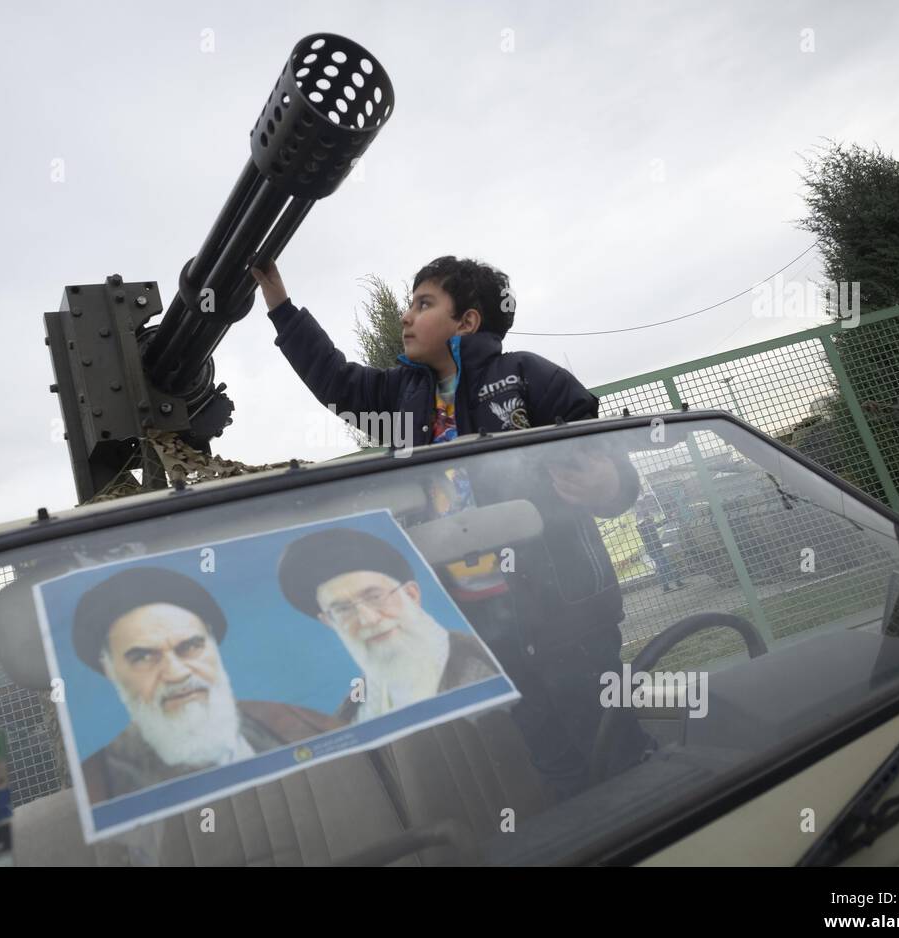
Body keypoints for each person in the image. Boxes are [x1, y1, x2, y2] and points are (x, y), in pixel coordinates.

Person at [251, 256, 653, 797]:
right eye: (408, 305)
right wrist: (279, 304)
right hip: (485, 627)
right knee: (551, 759)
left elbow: (603, 458)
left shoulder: (526, 375)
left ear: (466, 322)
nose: (406, 317)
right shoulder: (401, 398)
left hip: (566, 614)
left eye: (423, 304)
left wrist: (608, 482)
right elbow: (336, 381)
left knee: (613, 744)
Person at [72, 567, 338, 804]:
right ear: (109, 668)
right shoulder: (96, 789)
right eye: (143, 657)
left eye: (190, 647)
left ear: (213, 646)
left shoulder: (308, 727)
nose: (176, 674)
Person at [276, 527, 499, 722]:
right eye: (343, 609)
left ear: (411, 595)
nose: (368, 619)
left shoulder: (486, 668)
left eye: (375, 596)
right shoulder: (352, 714)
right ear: (329, 622)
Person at [636, 499, 686, 592]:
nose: (652, 518)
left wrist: (669, 517)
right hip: (655, 550)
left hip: (654, 550)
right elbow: (654, 523)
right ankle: (674, 583)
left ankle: (668, 585)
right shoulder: (645, 526)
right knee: (666, 566)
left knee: (664, 567)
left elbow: (657, 524)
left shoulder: (646, 525)